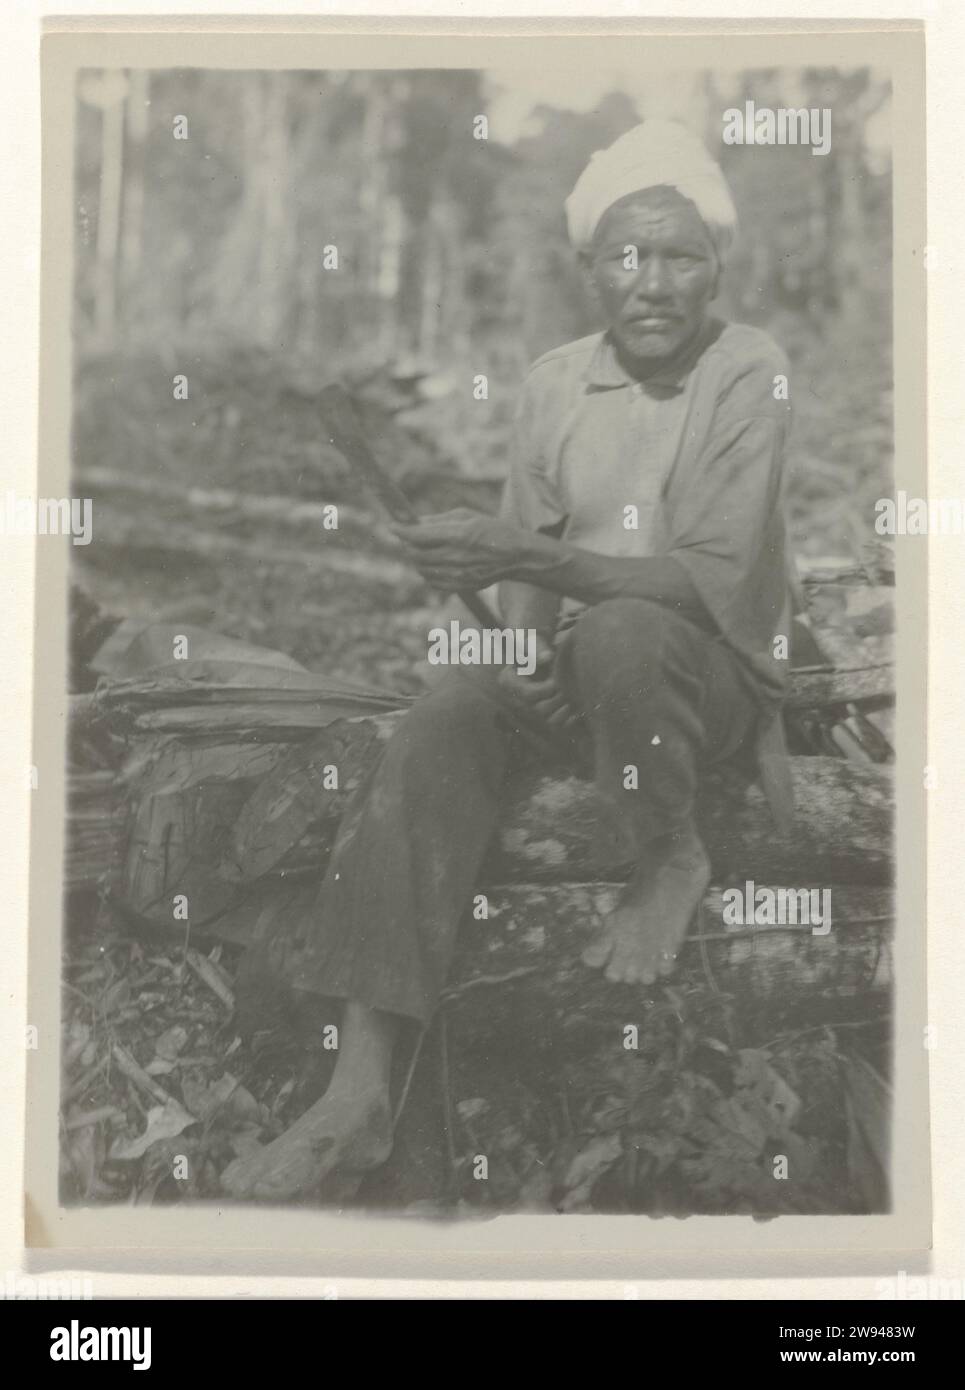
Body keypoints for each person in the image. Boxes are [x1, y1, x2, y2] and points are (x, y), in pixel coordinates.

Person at [221, 119, 794, 1202]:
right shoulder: (551, 383)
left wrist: (529, 560)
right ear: (588, 271)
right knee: (444, 706)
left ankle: (668, 855)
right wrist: (516, 646)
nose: (653, 281)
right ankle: (359, 1086)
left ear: (718, 266)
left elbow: (701, 581)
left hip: (705, 677)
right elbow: (528, 567)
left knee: (629, 633)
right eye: (624, 256)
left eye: (680, 255)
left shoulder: (747, 371)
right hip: (593, 674)